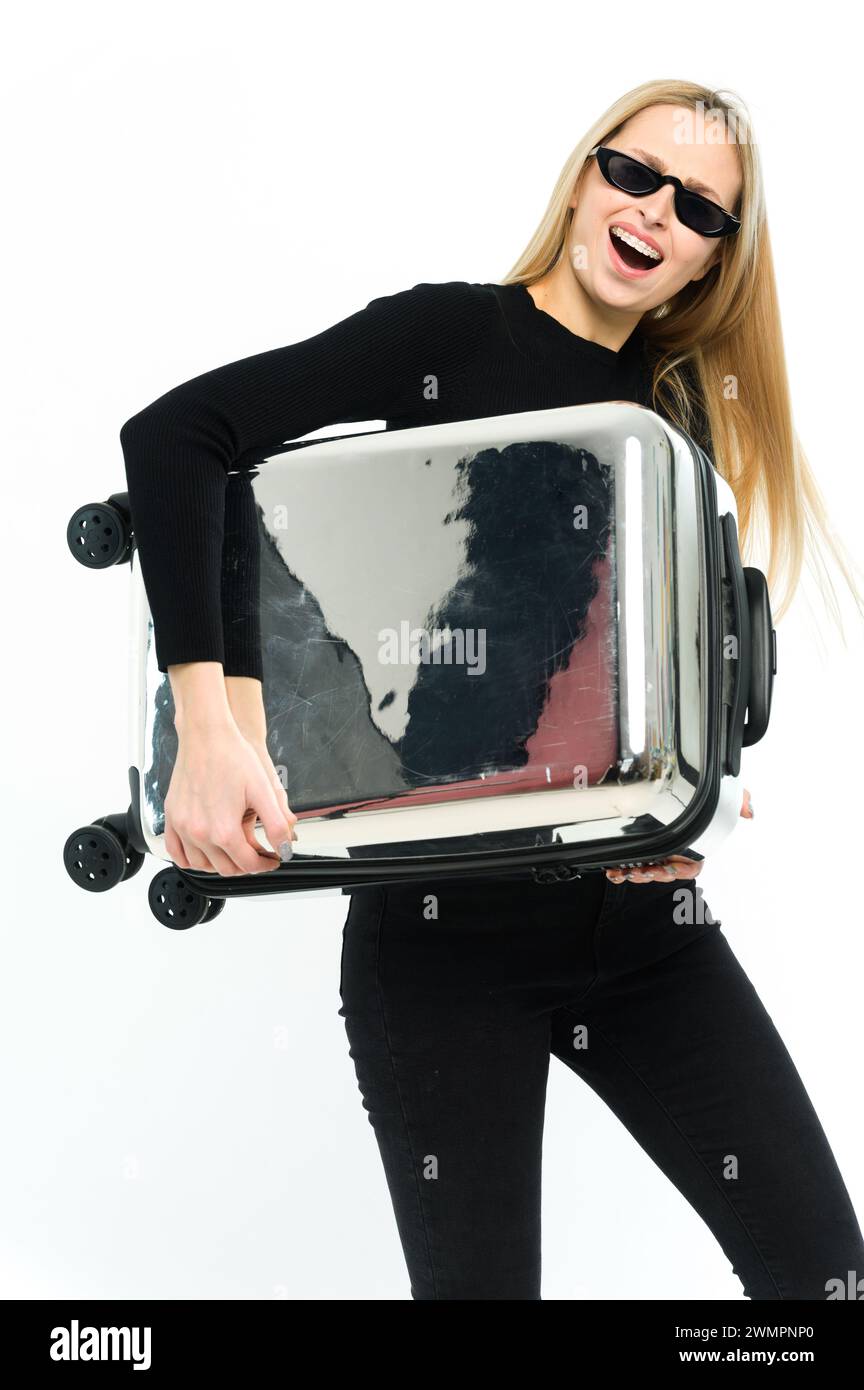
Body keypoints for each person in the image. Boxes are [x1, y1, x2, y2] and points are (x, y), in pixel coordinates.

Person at [119, 78, 864, 1299]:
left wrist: (698, 813)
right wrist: (216, 719)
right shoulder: (446, 338)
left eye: (701, 209)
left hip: (641, 941)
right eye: (635, 173)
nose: (655, 212)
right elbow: (180, 436)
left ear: (710, 262)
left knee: (824, 1278)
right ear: (584, 175)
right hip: (442, 945)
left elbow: (644, 678)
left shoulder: (673, 414)